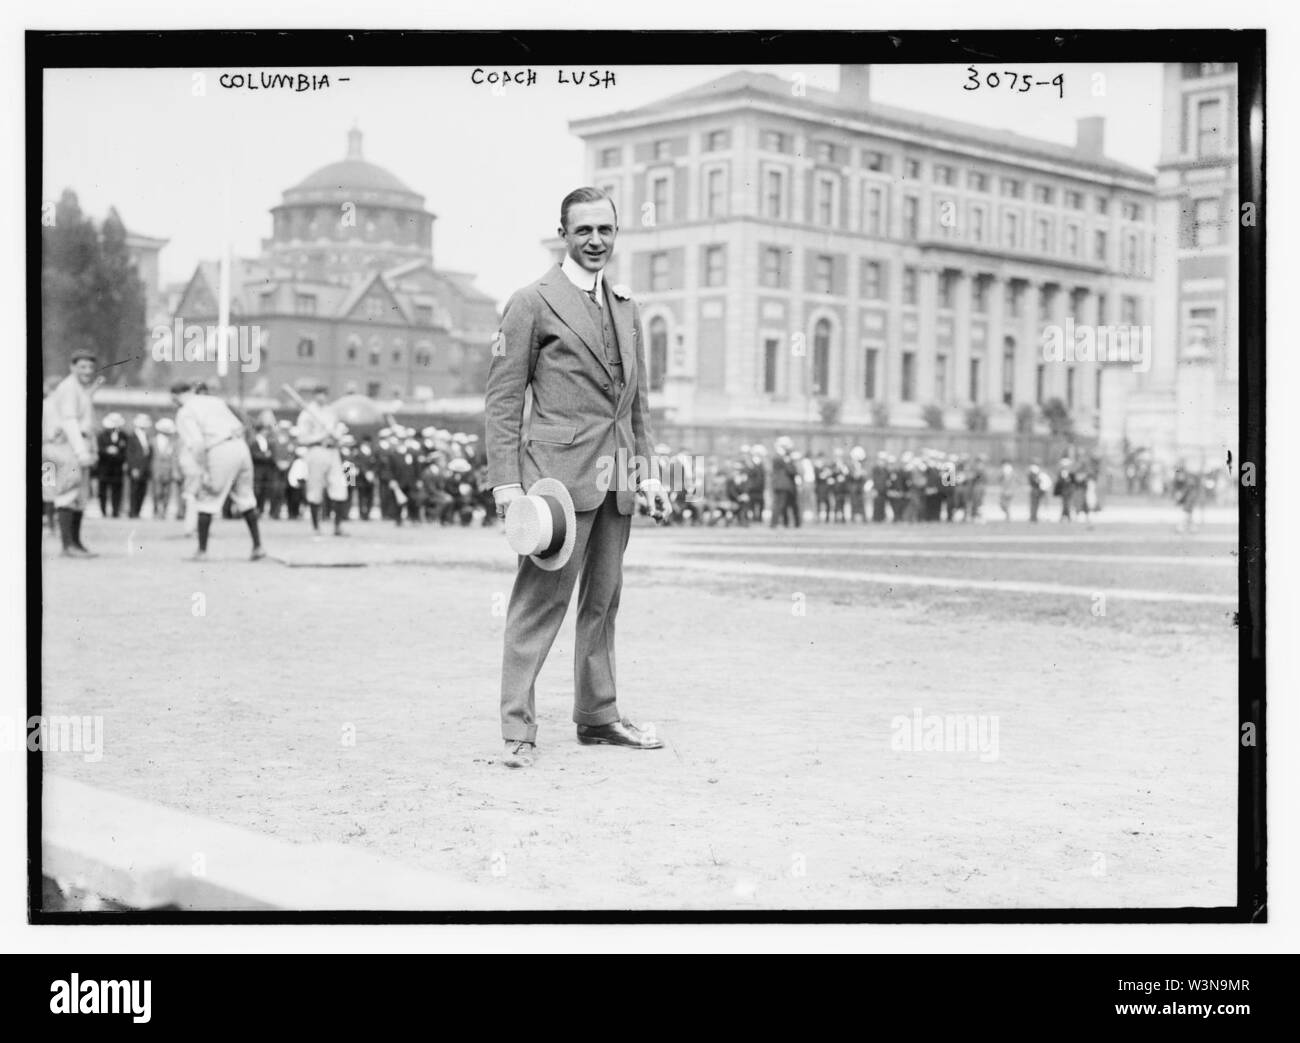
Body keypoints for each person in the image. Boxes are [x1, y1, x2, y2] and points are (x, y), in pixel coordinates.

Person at [485, 186, 669, 768]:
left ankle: (598, 717)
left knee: (604, 602)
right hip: (555, 486)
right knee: (539, 604)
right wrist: (506, 484)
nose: (595, 241)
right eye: (584, 230)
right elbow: (502, 400)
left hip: (617, 479)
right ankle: (518, 729)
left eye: (605, 231)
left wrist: (649, 473)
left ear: (616, 235)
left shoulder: (627, 306)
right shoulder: (531, 302)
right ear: (563, 234)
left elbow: (636, 404)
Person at [171, 381, 264, 561]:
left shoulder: (185, 411)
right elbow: (241, 424)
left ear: (175, 396)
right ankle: (258, 546)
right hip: (240, 446)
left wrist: (203, 468)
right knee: (246, 498)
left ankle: (202, 551)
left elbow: (196, 444)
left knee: (207, 497)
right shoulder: (215, 401)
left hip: (219, 449)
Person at [41, 348, 99, 556]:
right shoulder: (68, 388)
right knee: (68, 494)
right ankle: (68, 545)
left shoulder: (80, 389)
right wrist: (81, 451)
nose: (87, 371)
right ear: (72, 367)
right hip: (67, 447)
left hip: (79, 445)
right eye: (82, 366)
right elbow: (69, 421)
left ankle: (76, 542)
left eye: (91, 367)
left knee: (80, 497)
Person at [295, 384, 349, 536]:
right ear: (314, 395)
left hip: (333, 450)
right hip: (316, 450)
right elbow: (302, 438)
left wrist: (336, 434)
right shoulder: (307, 413)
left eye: (324, 393)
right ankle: (315, 526)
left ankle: (338, 526)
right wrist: (322, 435)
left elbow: (338, 430)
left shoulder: (331, 412)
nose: (322, 396)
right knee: (315, 488)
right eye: (319, 393)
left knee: (340, 487)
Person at [95, 413, 128, 518]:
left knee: (117, 491)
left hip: (117, 468)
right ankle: (103, 511)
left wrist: (118, 454)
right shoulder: (101, 435)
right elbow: (98, 449)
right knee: (103, 491)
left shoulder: (124, 436)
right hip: (104, 468)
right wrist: (107, 450)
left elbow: (126, 452)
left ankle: (115, 511)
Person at [125, 414, 154, 518]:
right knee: (134, 490)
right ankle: (132, 511)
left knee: (142, 490)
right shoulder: (132, 437)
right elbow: (130, 454)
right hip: (136, 468)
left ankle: (137, 511)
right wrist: (133, 468)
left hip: (144, 468)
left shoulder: (146, 437)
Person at [151, 417, 179, 519]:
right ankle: (156, 510)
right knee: (156, 492)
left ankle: (164, 510)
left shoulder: (173, 443)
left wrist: (175, 471)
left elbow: (174, 458)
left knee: (167, 492)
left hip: (168, 471)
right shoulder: (153, 441)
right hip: (156, 470)